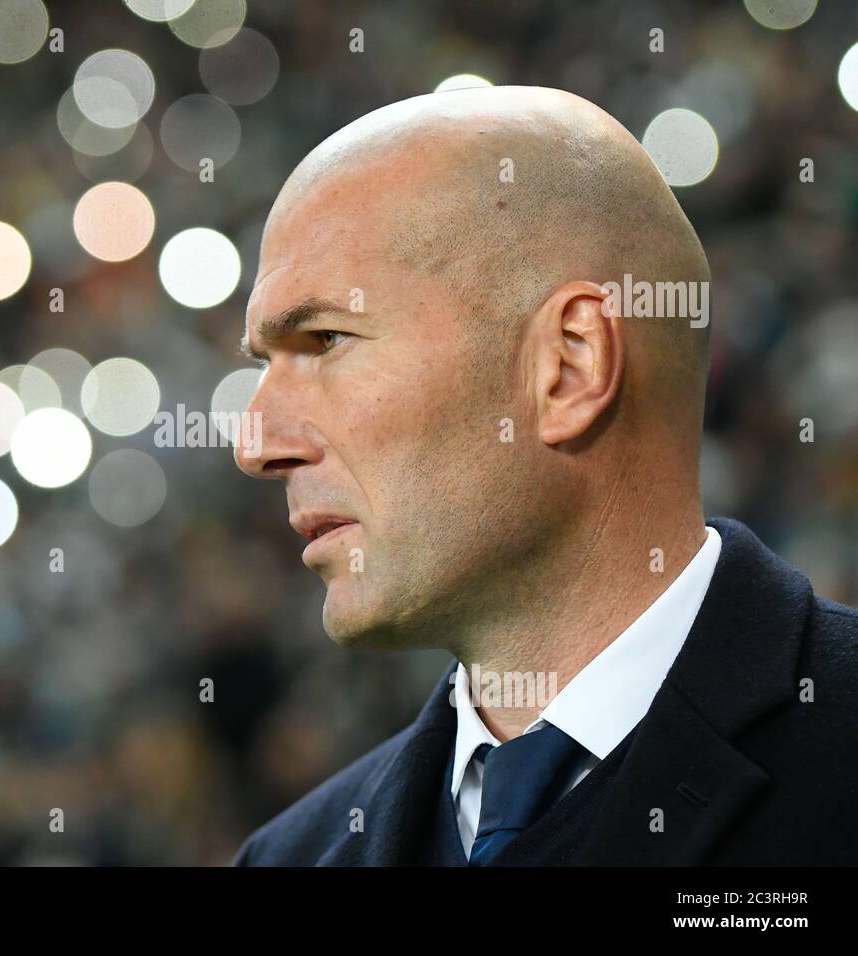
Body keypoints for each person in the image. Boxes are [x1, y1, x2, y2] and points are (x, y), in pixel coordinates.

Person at [230, 86, 858, 866]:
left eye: (324, 340)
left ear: (570, 364)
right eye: (263, 364)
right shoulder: (288, 857)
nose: (254, 445)